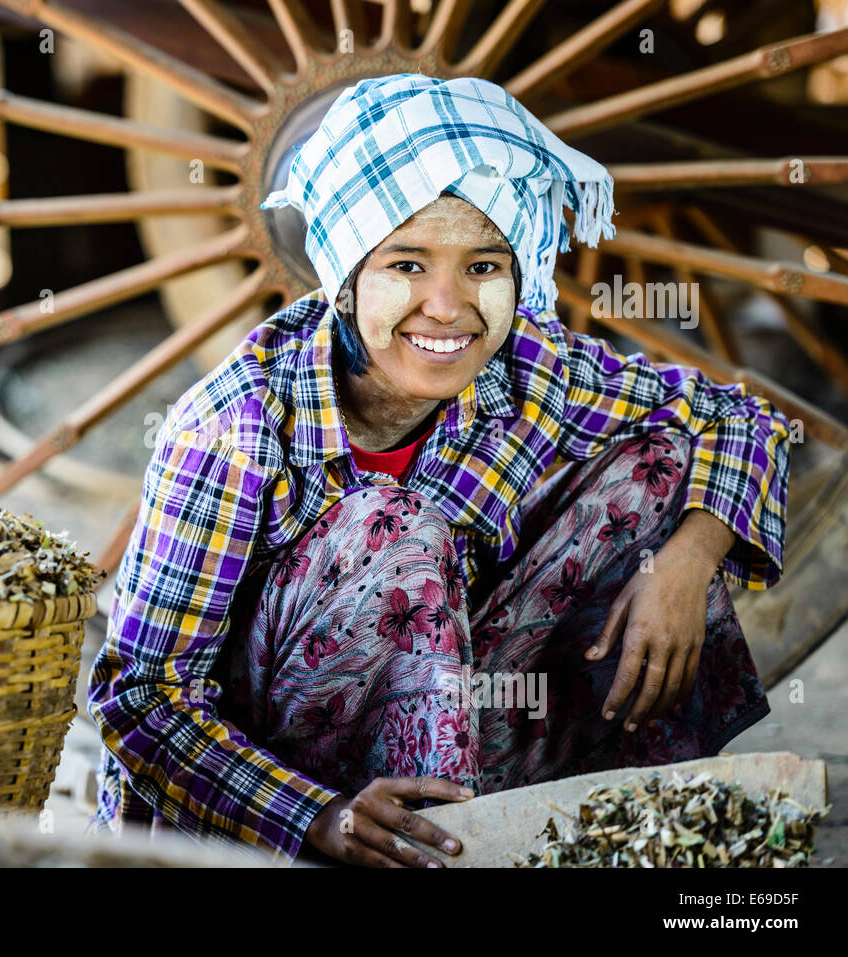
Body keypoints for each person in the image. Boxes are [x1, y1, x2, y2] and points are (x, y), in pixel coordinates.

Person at [85, 74, 790, 868]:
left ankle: (588, 819)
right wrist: (319, 817)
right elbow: (140, 698)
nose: (449, 307)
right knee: (399, 523)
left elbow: (733, 416)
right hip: (271, 812)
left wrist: (687, 563)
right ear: (346, 277)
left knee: (656, 468)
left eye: (484, 266)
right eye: (408, 265)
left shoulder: (526, 361)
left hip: (445, 739)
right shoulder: (236, 430)